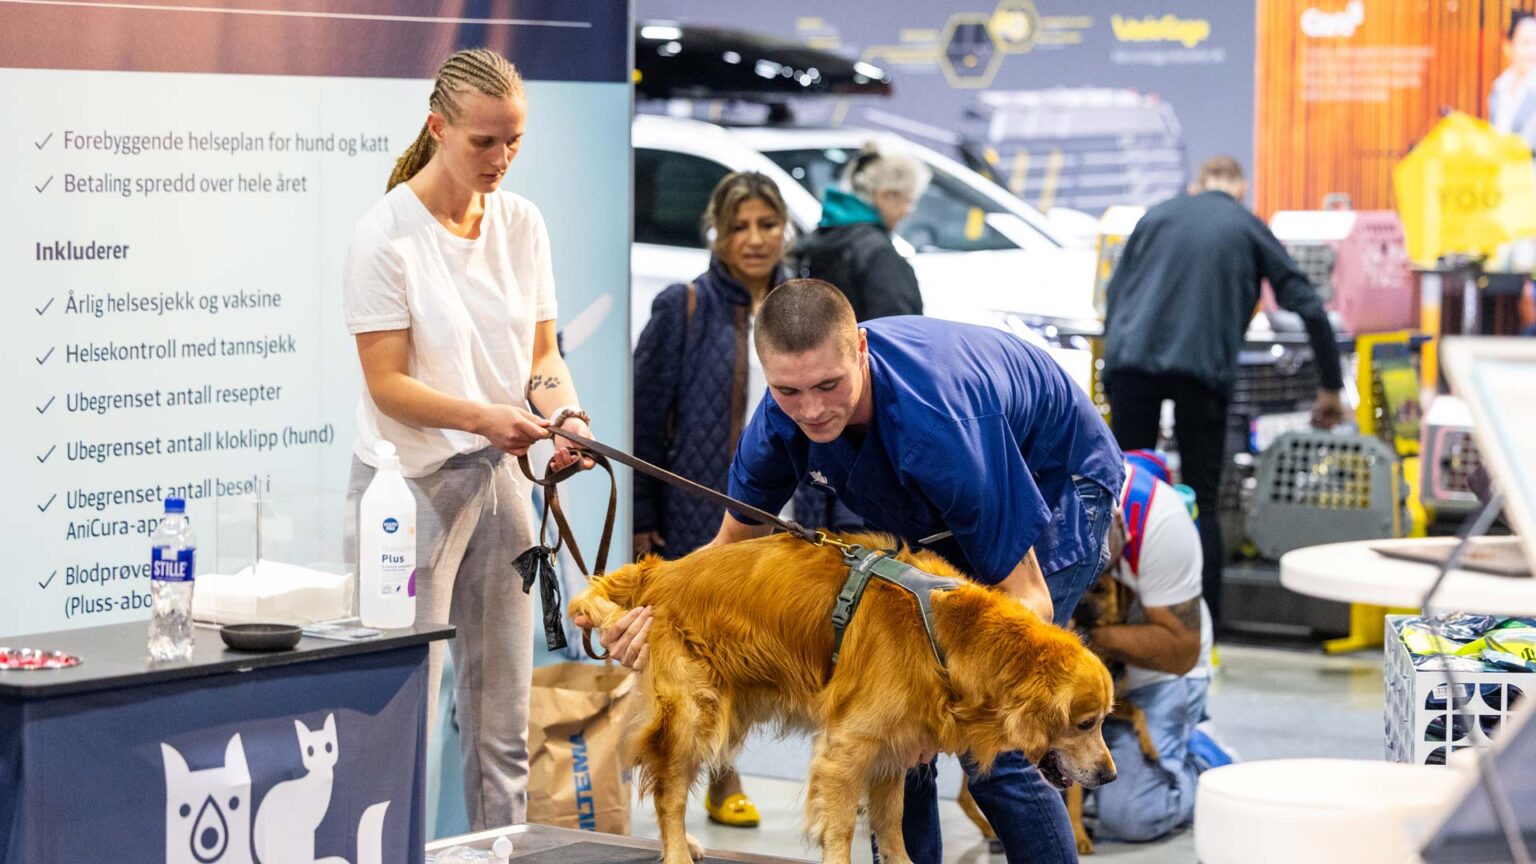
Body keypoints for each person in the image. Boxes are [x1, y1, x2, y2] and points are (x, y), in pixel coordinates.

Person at [587, 280, 1124, 864]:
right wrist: (650, 617)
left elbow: (1029, 602)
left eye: (828, 384)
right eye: (787, 389)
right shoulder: (780, 422)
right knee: (894, 722)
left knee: (998, 741)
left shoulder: (940, 424)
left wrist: (941, 699)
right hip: (942, 501)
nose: (812, 409)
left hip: (1057, 483)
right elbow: (725, 554)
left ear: (861, 350)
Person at [342, 48, 592, 831]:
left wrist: (568, 416)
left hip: (502, 483)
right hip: (406, 492)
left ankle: (500, 852)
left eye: (514, 140)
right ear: (438, 127)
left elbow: (541, 357)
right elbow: (388, 385)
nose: (502, 158)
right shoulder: (385, 237)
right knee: (395, 715)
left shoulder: (523, 223)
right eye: (485, 141)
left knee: (501, 720)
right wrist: (488, 417)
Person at [1101, 156, 1345, 629]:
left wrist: (1114, 363)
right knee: (1201, 500)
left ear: (1198, 185)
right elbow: (1310, 306)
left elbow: (1115, 294)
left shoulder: (1156, 215)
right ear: (1241, 188)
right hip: (1201, 373)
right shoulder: (1246, 225)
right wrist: (1331, 385)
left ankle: (1110, 620)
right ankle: (1201, 631)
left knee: (1119, 489)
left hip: (1130, 366)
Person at [630, 171, 794, 828]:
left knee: (770, 652)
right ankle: (721, 772)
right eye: (738, 227)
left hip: (793, 513)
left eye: (766, 224)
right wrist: (644, 519)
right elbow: (644, 421)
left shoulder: (805, 305)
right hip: (706, 508)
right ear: (716, 234)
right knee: (715, 655)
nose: (754, 240)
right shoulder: (685, 306)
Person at [1081, 450, 1233, 844]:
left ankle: (1206, 758)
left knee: (1132, 816)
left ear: (1116, 523)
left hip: (1159, 676)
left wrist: (1085, 636)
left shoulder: (1158, 519)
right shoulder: (1042, 504)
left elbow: (1181, 650)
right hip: (1089, 684)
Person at [793, 141, 929, 321]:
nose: (908, 211)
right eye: (908, 201)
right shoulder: (879, 256)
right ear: (885, 196)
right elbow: (899, 334)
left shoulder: (821, 237)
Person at [1490, 11, 1536, 158]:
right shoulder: (1499, 88)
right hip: (1500, 175)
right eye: (1526, 43)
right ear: (1508, 46)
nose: (1533, 51)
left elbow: (1528, 143)